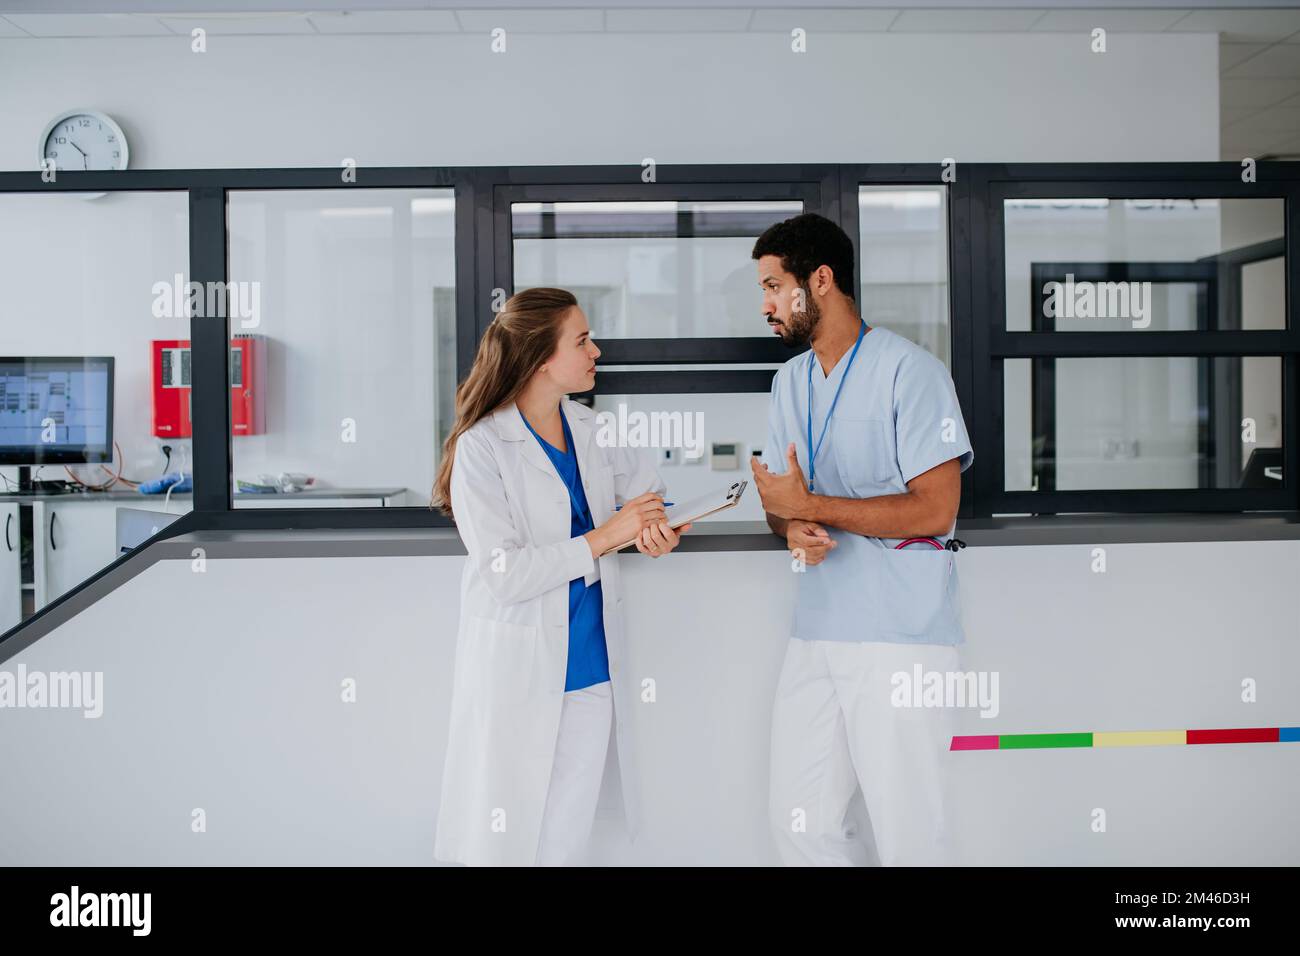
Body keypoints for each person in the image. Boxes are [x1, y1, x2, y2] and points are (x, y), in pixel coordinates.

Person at [430, 287, 689, 866]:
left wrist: (657, 530)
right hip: (518, 665)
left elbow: (647, 501)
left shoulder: (595, 430)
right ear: (541, 358)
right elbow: (506, 573)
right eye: (583, 340)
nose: (596, 351)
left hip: (591, 665)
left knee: (565, 837)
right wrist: (607, 536)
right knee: (500, 832)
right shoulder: (483, 447)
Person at [747, 214, 974, 866]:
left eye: (772, 286)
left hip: (901, 637)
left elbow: (936, 509)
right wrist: (791, 525)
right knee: (799, 820)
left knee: (911, 834)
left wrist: (813, 506)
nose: (764, 305)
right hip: (816, 629)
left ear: (820, 281)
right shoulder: (789, 382)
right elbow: (779, 503)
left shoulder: (912, 372)